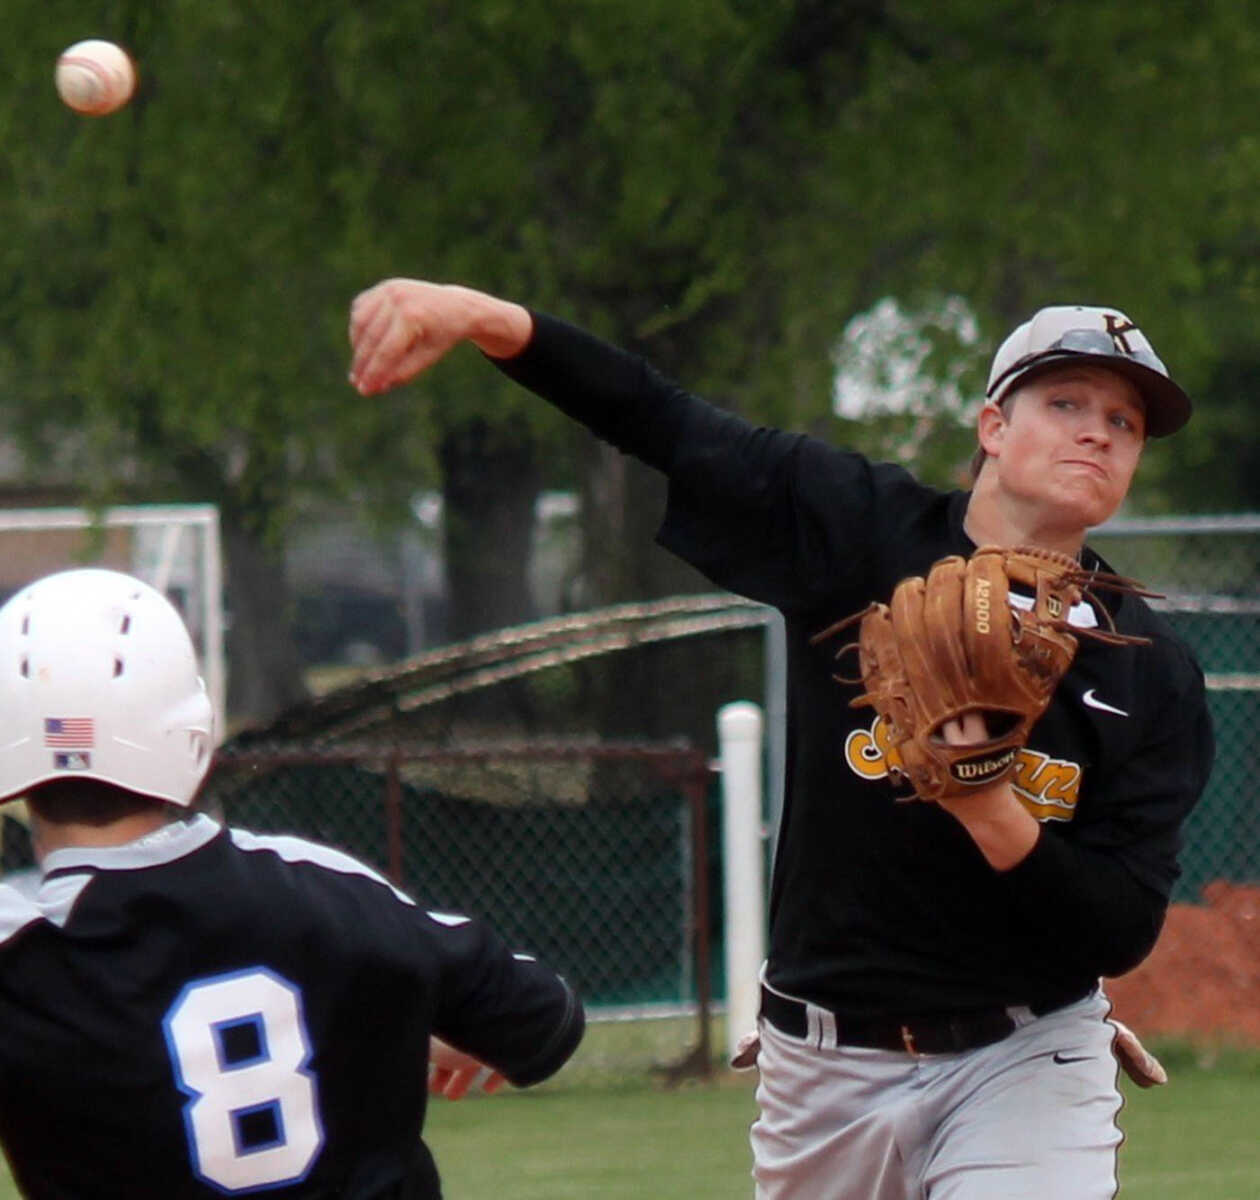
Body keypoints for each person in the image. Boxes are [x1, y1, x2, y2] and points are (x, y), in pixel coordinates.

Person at [348, 283, 1214, 1198]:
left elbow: (1121, 924)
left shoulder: (1146, 669)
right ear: (994, 425)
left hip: (1025, 1055)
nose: (1098, 432)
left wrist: (988, 808)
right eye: (1067, 402)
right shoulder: (856, 528)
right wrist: (492, 324)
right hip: (825, 1067)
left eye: (1125, 421)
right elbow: (661, 420)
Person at [0, 567, 584, 1198]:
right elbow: (540, 1020)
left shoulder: (22, 957)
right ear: (186, 727)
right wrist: (406, 1006)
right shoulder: (318, 884)